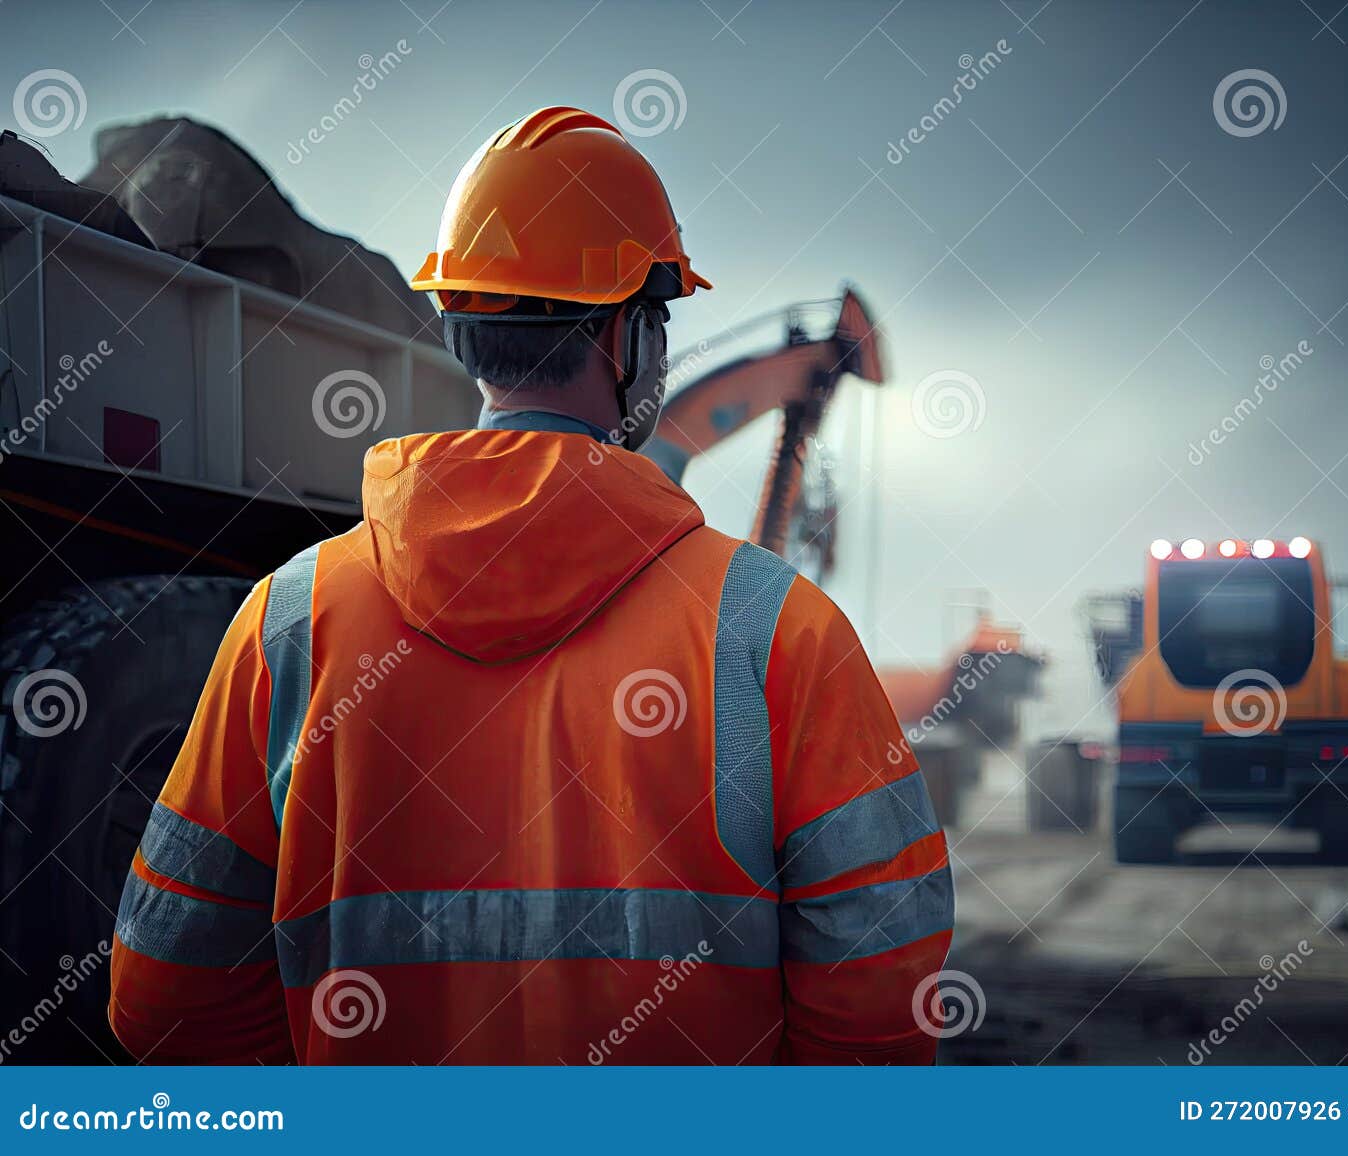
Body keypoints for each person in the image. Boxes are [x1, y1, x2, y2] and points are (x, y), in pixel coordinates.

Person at [108, 107, 954, 1063]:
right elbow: (882, 992)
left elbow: (160, 996)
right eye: (661, 314)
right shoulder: (776, 630)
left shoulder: (290, 620)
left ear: (461, 329)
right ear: (627, 337)